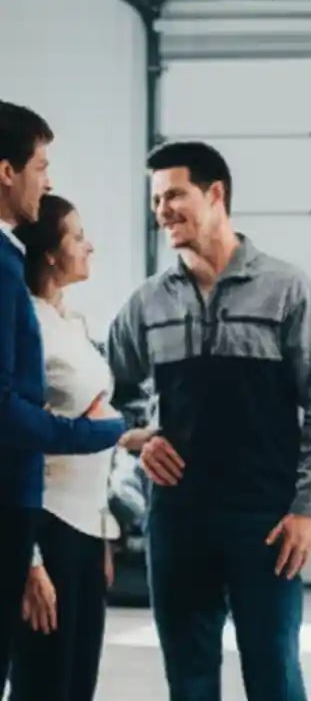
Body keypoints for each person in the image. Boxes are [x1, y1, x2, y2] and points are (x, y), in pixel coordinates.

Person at [106, 140, 311, 701]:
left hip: (265, 521)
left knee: (274, 675)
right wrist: (136, 438)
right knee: (188, 680)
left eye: (174, 195)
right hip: (178, 519)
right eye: (157, 200)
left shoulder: (286, 289)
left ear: (215, 194)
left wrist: (305, 511)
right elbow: (99, 400)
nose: (162, 210)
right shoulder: (147, 304)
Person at [0, 101, 126, 691]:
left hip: (80, 527)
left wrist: (101, 529)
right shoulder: (18, 297)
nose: (90, 245)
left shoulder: (70, 322)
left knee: (75, 684)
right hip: (38, 522)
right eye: (78, 235)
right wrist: (30, 559)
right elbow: (12, 420)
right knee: (44, 684)